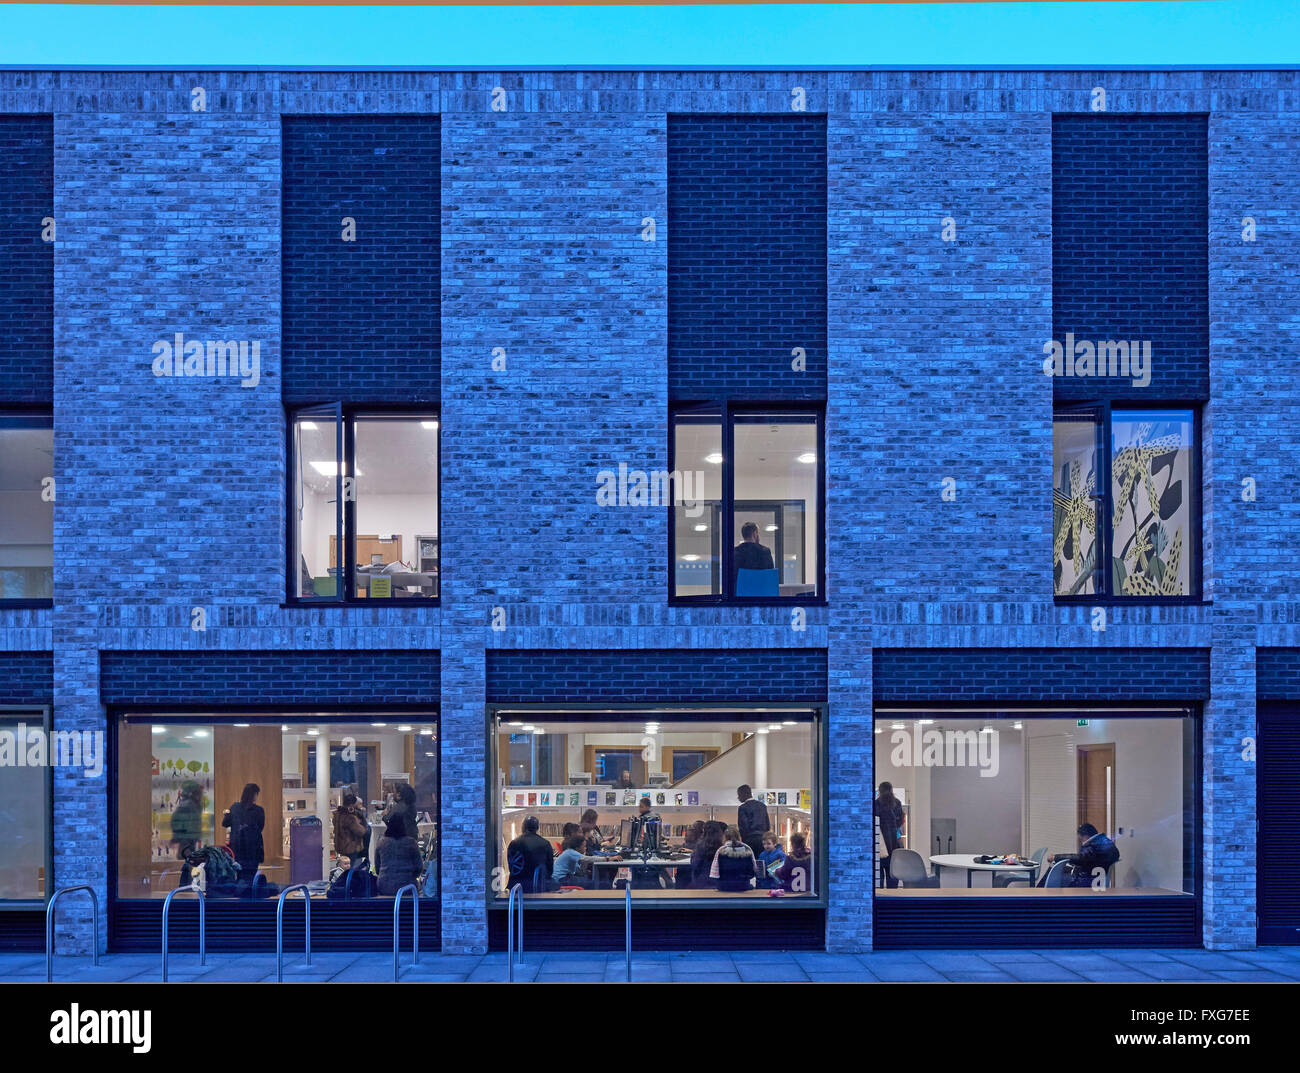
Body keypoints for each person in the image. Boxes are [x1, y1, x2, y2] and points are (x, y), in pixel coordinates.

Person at [1047, 823, 1121, 888]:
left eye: (1081, 839)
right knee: (1063, 869)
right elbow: (1086, 859)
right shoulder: (1104, 841)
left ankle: (1042, 893)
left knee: (1055, 872)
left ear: (1085, 836)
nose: (1081, 842)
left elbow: (1080, 858)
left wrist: (1055, 857)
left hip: (1087, 880)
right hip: (1097, 876)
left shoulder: (1092, 845)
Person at [222, 782, 265, 889]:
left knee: (239, 877)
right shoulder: (258, 811)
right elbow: (260, 827)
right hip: (252, 850)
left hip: (237, 849)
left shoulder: (234, 807)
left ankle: (240, 900)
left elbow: (225, 823)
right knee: (251, 879)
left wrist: (227, 815)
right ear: (254, 794)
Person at [506, 815, 555, 893]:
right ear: (537, 828)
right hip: (538, 886)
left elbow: (511, 866)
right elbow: (550, 869)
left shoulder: (514, 843)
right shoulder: (545, 843)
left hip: (517, 886)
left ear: (523, 827)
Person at [376, 818, 423, 896]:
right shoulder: (411, 843)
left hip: (384, 886)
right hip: (407, 887)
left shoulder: (381, 843)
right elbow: (419, 867)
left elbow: (377, 869)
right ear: (404, 827)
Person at [170, 781, 203, 889]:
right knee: (189, 865)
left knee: (189, 864)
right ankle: (186, 889)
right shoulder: (188, 804)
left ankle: (186, 888)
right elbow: (175, 819)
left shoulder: (193, 804)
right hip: (187, 840)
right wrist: (180, 834)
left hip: (190, 839)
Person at [873, 782, 905, 889]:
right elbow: (900, 822)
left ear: (880, 791)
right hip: (894, 844)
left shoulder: (875, 804)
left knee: (879, 873)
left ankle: (880, 895)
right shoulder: (897, 803)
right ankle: (892, 895)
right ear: (891, 790)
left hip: (880, 845)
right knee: (893, 873)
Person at [710, 826, 758, 892]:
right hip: (743, 886)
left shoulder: (720, 851)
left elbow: (716, 874)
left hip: (724, 886)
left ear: (725, 838)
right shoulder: (747, 849)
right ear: (739, 836)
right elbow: (752, 872)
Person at [733, 521, 776, 589]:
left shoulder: (735, 552)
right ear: (755, 533)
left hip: (740, 594)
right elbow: (770, 576)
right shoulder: (765, 551)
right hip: (761, 593)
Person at [333, 791, 369, 866]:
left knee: (344, 867)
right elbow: (361, 831)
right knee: (351, 868)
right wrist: (361, 817)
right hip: (350, 847)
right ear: (352, 805)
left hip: (340, 846)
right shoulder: (350, 818)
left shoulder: (338, 814)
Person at [690, 821, 727, 889]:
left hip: (701, 883)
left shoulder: (700, 847)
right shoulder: (722, 848)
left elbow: (695, 864)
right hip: (718, 884)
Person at [736, 785, 770, 860]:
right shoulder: (762, 806)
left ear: (743, 794)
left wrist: (744, 841)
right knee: (762, 862)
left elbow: (743, 827)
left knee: (751, 863)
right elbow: (768, 825)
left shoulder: (742, 808)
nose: (738, 798)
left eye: (739, 795)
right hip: (763, 840)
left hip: (749, 841)